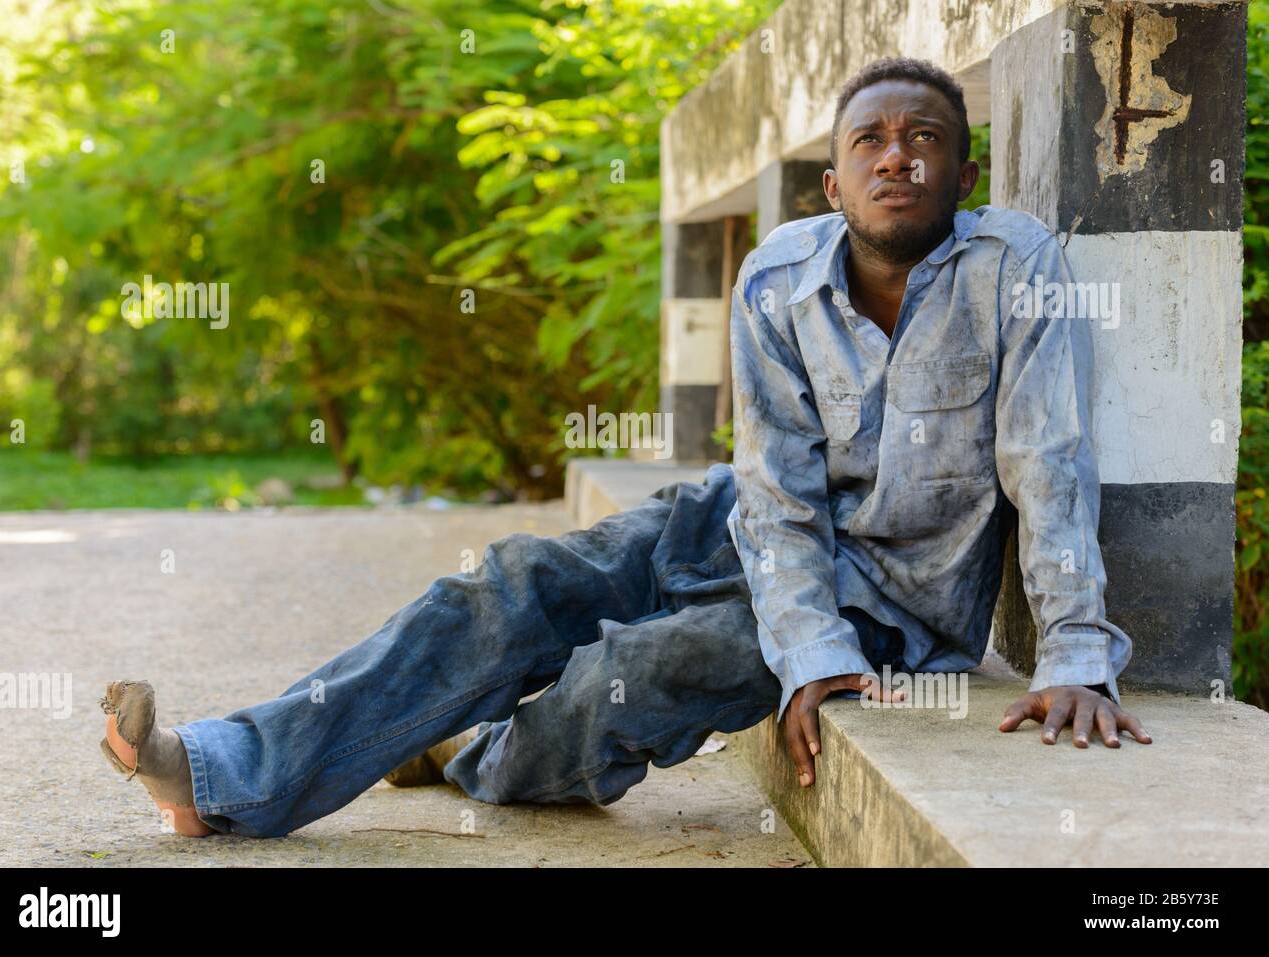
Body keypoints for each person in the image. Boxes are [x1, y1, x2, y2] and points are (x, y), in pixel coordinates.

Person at [99, 56, 1150, 839]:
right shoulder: (780, 279)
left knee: (632, 673)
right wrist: (805, 647)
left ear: (963, 173)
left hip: (893, 610)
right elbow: (777, 489)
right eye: (869, 140)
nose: (896, 156)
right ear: (830, 184)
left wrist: (1071, 654)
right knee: (508, 585)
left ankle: (469, 752)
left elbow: (1046, 462)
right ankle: (212, 775)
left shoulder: (1018, 271)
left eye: (923, 138)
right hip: (743, 528)